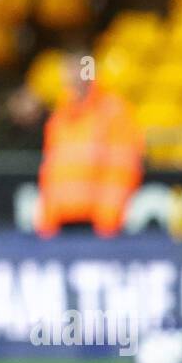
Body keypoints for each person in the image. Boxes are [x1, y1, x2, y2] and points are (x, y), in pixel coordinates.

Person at [35, 50, 142, 238]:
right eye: (69, 69)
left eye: (80, 68)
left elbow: (121, 168)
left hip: (96, 225)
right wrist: (48, 220)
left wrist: (108, 221)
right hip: (61, 224)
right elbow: (52, 170)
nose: (73, 75)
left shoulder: (112, 111)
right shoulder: (60, 115)